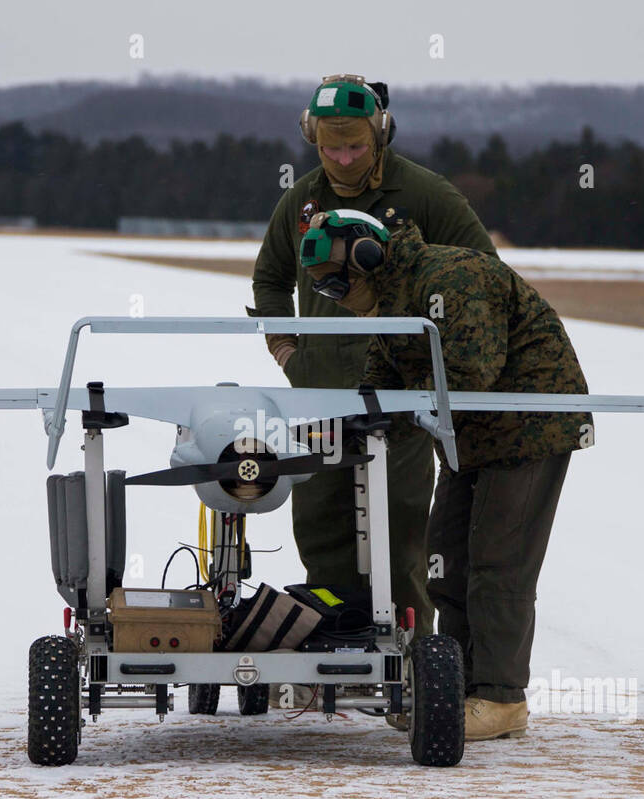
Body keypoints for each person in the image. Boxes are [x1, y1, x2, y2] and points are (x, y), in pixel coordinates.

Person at [298, 209, 593, 740]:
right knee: (446, 561)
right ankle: (458, 685)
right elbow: (380, 385)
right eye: (324, 290)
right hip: (470, 437)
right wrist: (339, 429)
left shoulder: (451, 278)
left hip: (530, 426)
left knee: (499, 560)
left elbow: (470, 373)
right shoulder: (392, 307)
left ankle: (501, 698)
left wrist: (401, 407)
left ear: (368, 257)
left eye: (337, 283)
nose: (335, 297)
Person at [250, 74, 497, 656]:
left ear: (381, 133)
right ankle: (331, 647)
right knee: (321, 523)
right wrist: (288, 352)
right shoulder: (302, 198)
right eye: (330, 147)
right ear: (312, 137)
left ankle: (413, 657)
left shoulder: (425, 194)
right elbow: (269, 279)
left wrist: (441, 361)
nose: (343, 158)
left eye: (355, 146)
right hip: (318, 396)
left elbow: (484, 274)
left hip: (401, 398)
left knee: (401, 525)